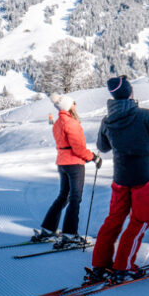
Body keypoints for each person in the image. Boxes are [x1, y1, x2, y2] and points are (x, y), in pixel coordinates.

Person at [87, 76, 149, 282]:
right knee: (139, 220)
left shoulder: (107, 120)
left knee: (114, 219)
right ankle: (124, 266)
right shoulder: (144, 115)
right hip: (143, 176)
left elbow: (103, 147)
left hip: (121, 177)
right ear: (130, 93)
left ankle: (100, 265)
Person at [31, 93, 102, 249]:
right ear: (69, 107)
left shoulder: (58, 123)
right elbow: (78, 148)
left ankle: (48, 229)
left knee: (63, 196)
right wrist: (93, 158)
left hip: (62, 162)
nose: (76, 105)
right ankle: (70, 235)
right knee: (75, 198)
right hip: (75, 164)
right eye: (74, 103)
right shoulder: (72, 123)